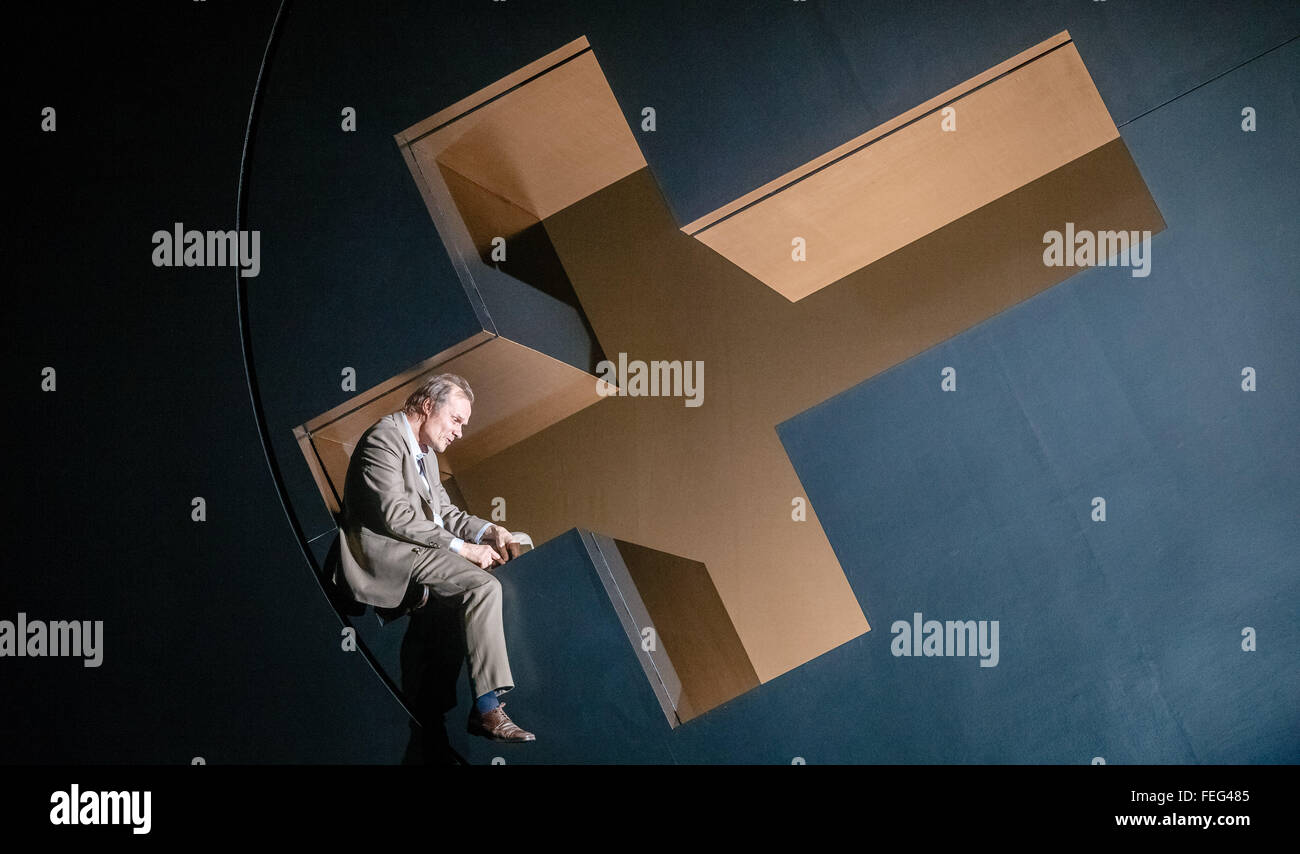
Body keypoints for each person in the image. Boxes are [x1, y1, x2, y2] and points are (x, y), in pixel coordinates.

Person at [331, 372, 535, 743]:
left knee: (495, 572)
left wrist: (488, 531)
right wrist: (464, 549)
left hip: (420, 547)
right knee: (483, 586)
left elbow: (446, 513)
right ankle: (487, 710)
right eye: (456, 420)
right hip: (394, 553)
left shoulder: (422, 451)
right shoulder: (384, 439)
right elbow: (397, 517)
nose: (459, 432)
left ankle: (476, 708)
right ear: (427, 406)